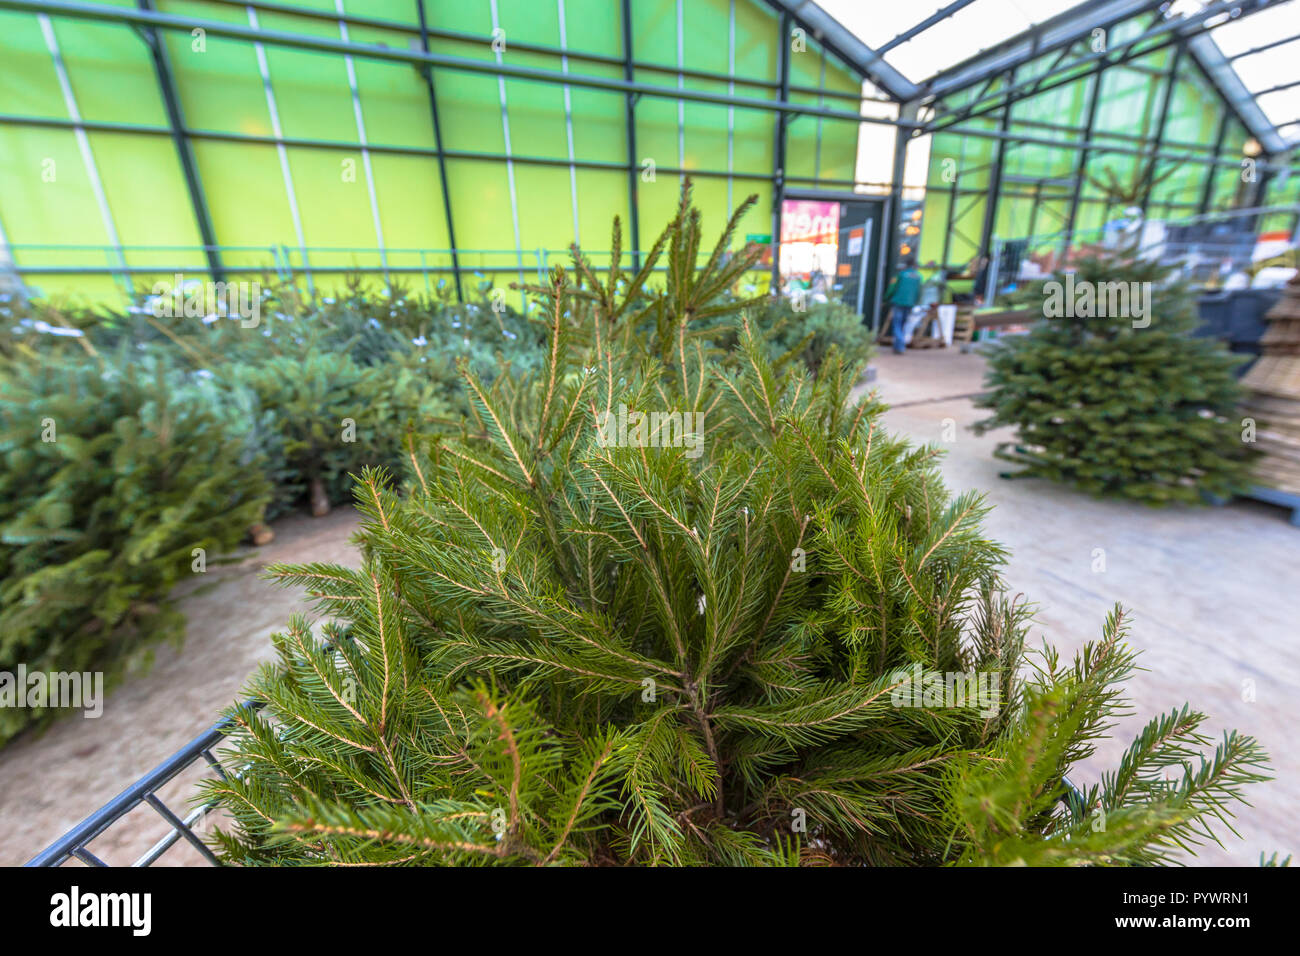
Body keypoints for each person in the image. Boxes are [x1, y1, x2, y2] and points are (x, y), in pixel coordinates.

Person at [884, 255, 922, 355]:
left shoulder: (900, 275)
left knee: (897, 324)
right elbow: (919, 292)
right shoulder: (918, 276)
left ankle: (900, 346)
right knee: (903, 324)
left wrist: (886, 298)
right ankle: (900, 345)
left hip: (898, 302)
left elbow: (892, 288)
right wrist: (916, 302)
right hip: (910, 304)